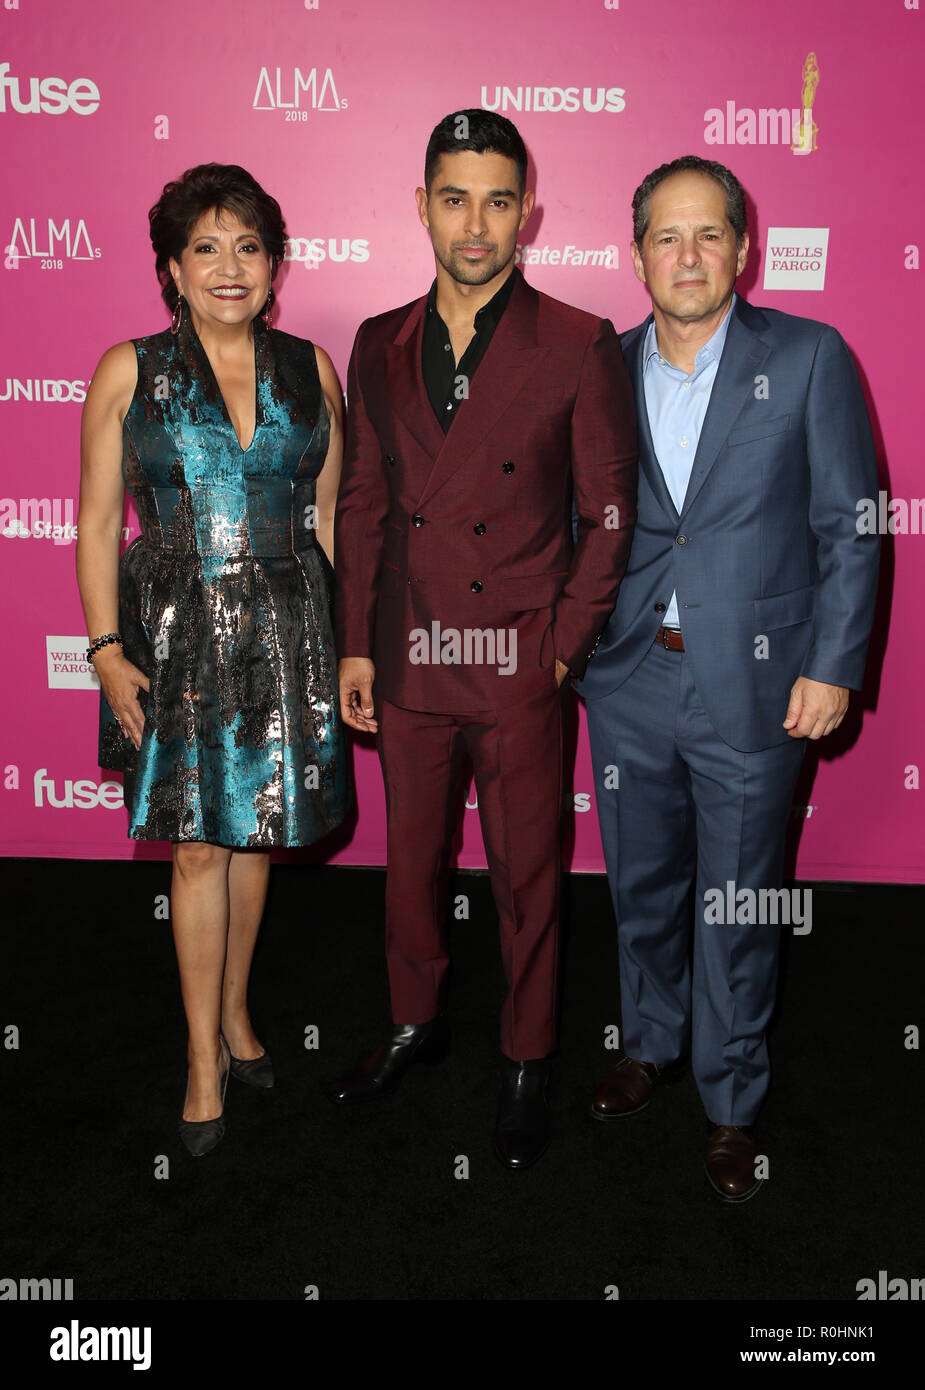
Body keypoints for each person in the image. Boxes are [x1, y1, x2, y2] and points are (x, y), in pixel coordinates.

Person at [326, 110, 637, 1169]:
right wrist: (356, 644)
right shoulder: (378, 339)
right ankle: (415, 1020)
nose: (475, 222)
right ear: (421, 205)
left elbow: (608, 514)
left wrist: (558, 646)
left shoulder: (577, 339)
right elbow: (363, 502)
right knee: (409, 864)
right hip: (409, 655)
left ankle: (526, 1050)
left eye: (498, 200)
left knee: (527, 875)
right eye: (453, 197)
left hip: (516, 658)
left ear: (528, 214)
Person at [578, 155, 880, 1200]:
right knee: (642, 884)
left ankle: (732, 1100)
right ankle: (650, 1042)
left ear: (743, 250)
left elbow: (849, 524)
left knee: (739, 899)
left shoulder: (806, 358)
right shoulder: (601, 369)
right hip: (627, 681)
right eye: (667, 236)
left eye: (710, 233)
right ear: (636, 256)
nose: (689, 254)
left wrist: (833, 667)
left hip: (756, 685)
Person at [76, 163, 348, 1157]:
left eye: (249, 247)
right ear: (171, 270)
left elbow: (334, 520)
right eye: (206, 249)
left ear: (275, 263)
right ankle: (201, 1056)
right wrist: (105, 652)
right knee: (196, 843)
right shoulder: (130, 369)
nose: (230, 267)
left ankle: (237, 1012)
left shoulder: (311, 369)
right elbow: (100, 520)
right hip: (178, 629)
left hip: (287, 624)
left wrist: (345, 649)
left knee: (255, 828)